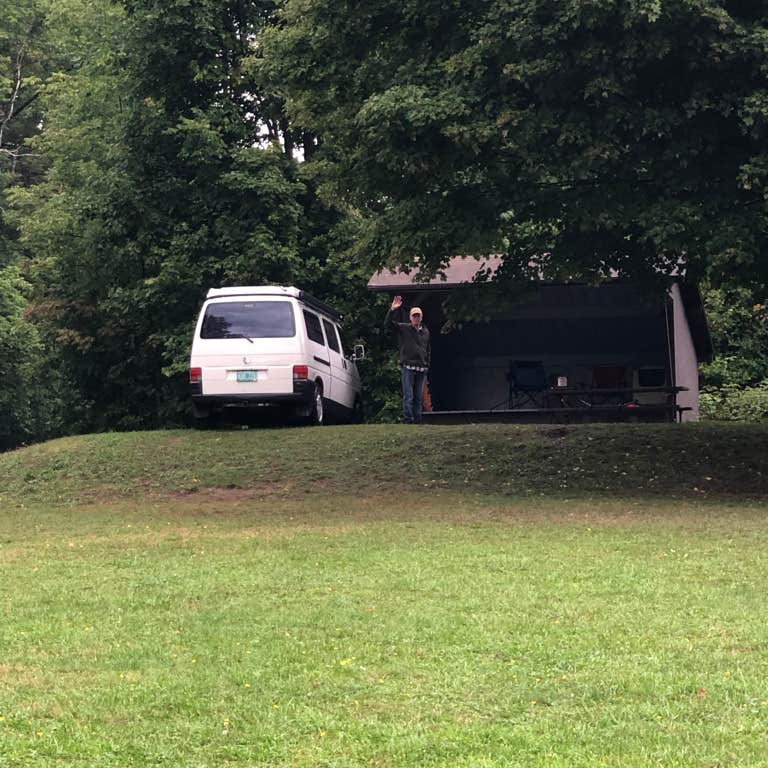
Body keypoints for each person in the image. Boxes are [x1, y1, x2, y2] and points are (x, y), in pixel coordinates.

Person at [385, 294, 431, 424]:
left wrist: (427, 363)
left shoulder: (426, 332)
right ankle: (408, 419)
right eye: (414, 315)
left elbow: (428, 348)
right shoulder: (404, 328)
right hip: (408, 367)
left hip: (422, 367)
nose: (416, 318)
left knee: (418, 397)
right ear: (410, 317)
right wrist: (392, 310)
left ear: (421, 317)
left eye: (418, 315)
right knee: (408, 395)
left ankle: (417, 419)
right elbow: (388, 325)